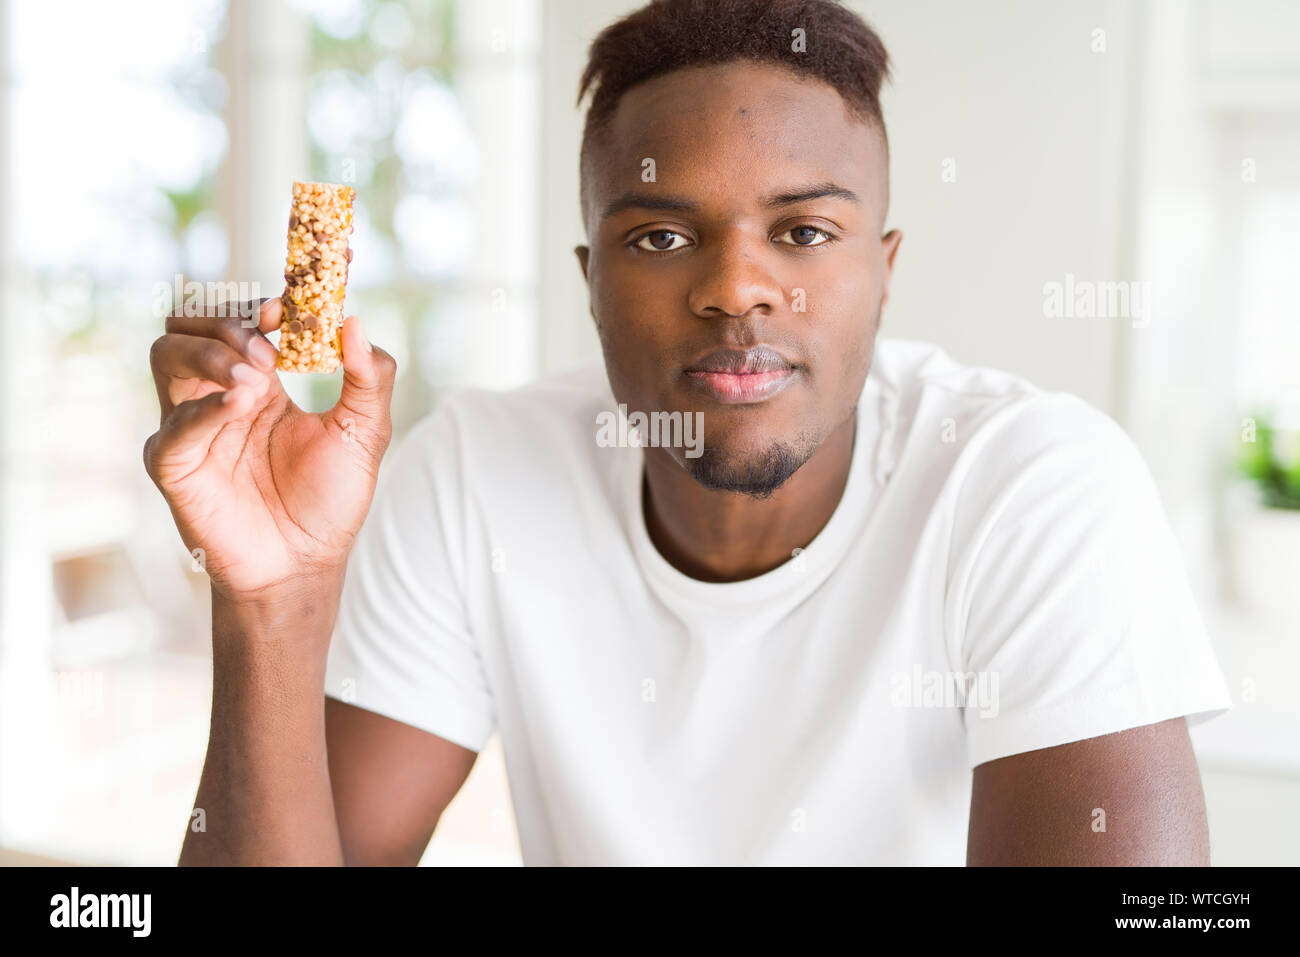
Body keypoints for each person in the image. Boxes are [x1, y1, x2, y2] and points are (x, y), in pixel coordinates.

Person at [145, 0, 1232, 866]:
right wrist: (270, 598)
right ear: (591, 282)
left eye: (804, 230)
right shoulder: (476, 475)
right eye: (662, 235)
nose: (735, 290)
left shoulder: (1029, 485)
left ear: (883, 274)